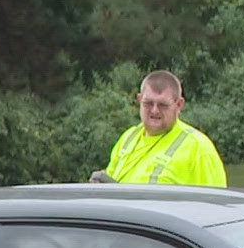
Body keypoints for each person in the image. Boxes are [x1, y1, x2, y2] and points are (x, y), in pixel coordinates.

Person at [97, 70, 226, 187]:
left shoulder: (198, 147)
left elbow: (214, 204)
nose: (154, 111)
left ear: (179, 105)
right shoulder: (128, 137)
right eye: (148, 103)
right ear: (139, 99)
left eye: (163, 105)